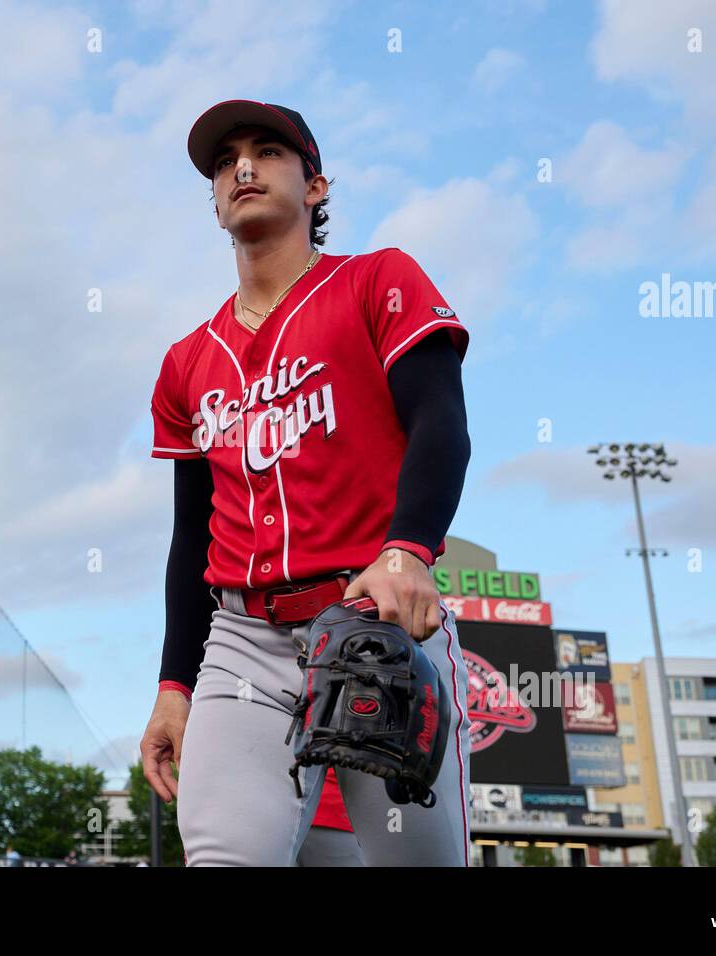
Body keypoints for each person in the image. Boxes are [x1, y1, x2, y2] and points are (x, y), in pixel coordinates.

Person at [140, 100, 473, 867]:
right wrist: (172, 685)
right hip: (241, 640)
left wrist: (408, 550)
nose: (243, 169)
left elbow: (441, 426)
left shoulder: (378, 280)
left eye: (266, 152)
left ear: (317, 186)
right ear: (217, 199)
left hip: (373, 621)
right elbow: (192, 536)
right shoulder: (187, 361)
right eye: (225, 163)